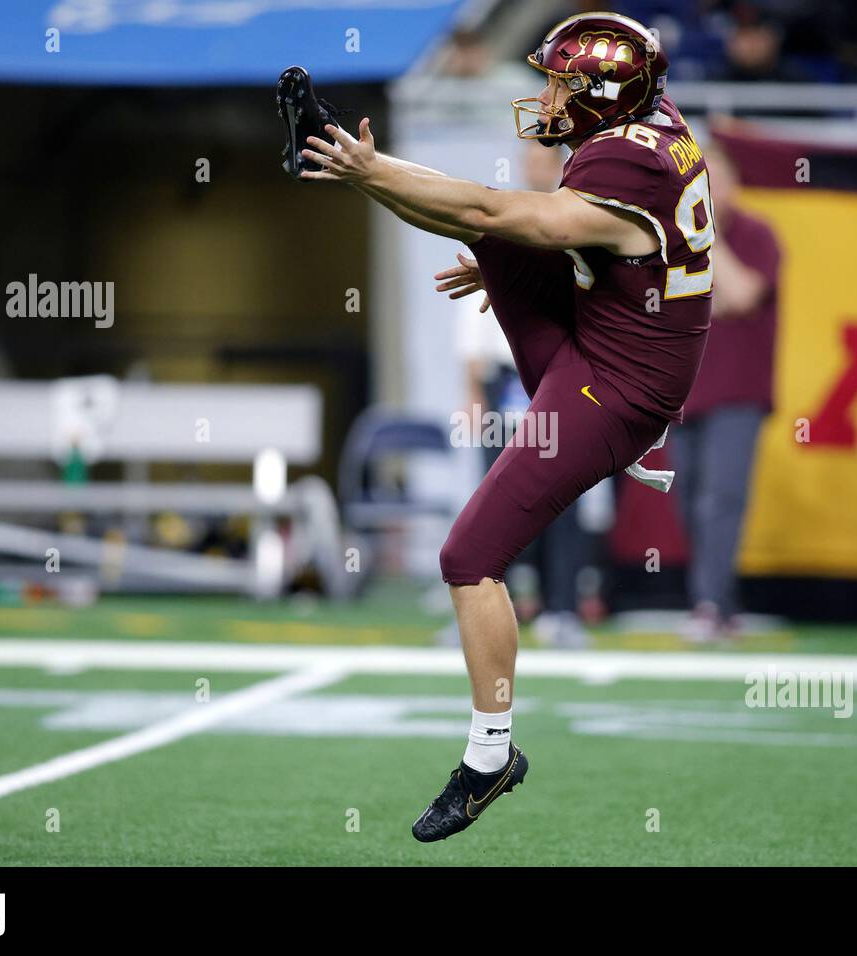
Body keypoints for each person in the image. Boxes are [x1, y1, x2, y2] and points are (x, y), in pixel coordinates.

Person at [300, 11, 713, 841]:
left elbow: (491, 207)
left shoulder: (624, 163)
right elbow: (523, 227)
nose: (547, 96)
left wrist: (369, 173)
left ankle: (491, 757)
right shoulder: (656, 125)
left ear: (604, 95)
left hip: (617, 384)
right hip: (617, 329)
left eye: (563, 82)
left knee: (467, 556)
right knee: (497, 244)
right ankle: (356, 164)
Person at [448, 142, 592, 647]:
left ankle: (564, 608)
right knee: (500, 492)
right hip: (505, 380)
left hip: (558, 374)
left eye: (544, 159)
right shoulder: (504, 213)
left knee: (561, 493)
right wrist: (472, 391)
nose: (535, 167)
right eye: (528, 158)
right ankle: (491, 603)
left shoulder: (576, 219)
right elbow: (474, 311)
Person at [673, 145, 780, 640]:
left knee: (720, 499)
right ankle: (721, 600)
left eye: (716, 181)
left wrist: (706, 234)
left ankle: (710, 605)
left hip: (739, 393)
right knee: (689, 500)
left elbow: (739, 296)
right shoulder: (675, 239)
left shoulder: (758, 235)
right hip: (684, 391)